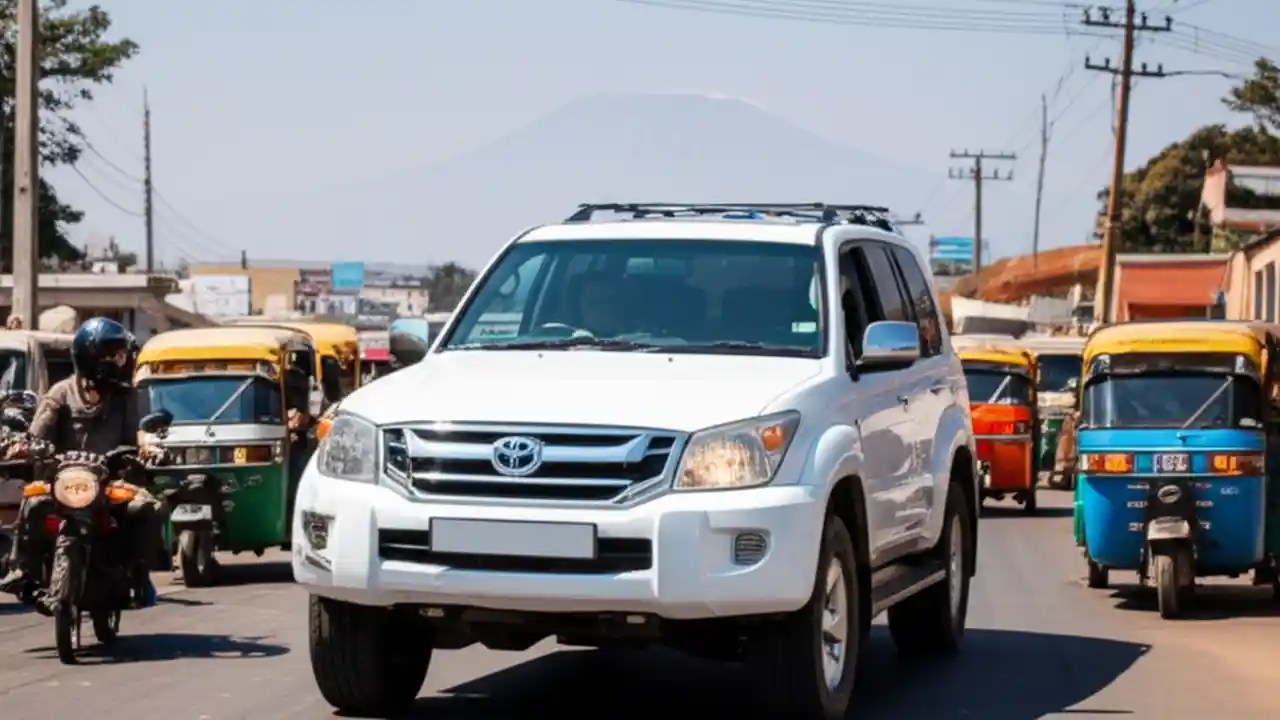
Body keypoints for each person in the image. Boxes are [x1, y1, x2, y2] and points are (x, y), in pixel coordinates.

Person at [0, 317, 163, 613]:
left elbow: (134, 435)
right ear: (92, 356)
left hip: (109, 479)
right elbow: (38, 431)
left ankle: (138, 572)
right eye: (113, 354)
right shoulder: (61, 392)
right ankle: (23, 569)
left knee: (146, 508)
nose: (121, 361)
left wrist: (146, 448)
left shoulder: (126, 397)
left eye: (121, 354)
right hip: (60, 479)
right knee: (33, 503)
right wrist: (24, 445)